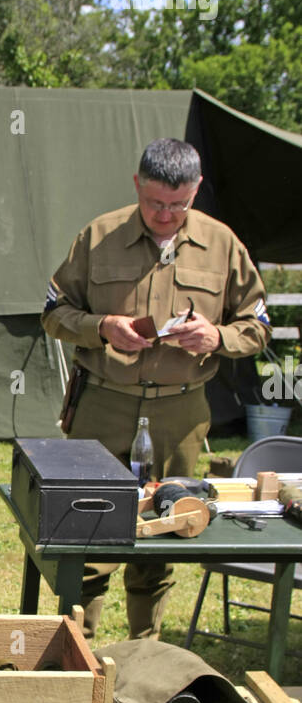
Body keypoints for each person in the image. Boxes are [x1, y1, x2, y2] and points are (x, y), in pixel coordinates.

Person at [41, 137, 270, 641]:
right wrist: (101, 327)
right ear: (137, 184)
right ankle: (77, 652)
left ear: (197, 190)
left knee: (163, 529)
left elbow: (257, 327)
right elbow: (53, 314)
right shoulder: (98, 236)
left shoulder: (222, 244)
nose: (165, 215)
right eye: (154, 202)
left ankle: (145, 655)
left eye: (178, 204)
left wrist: (216, 336)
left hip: (178, 416)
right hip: (102, 405)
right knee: (87, 533)